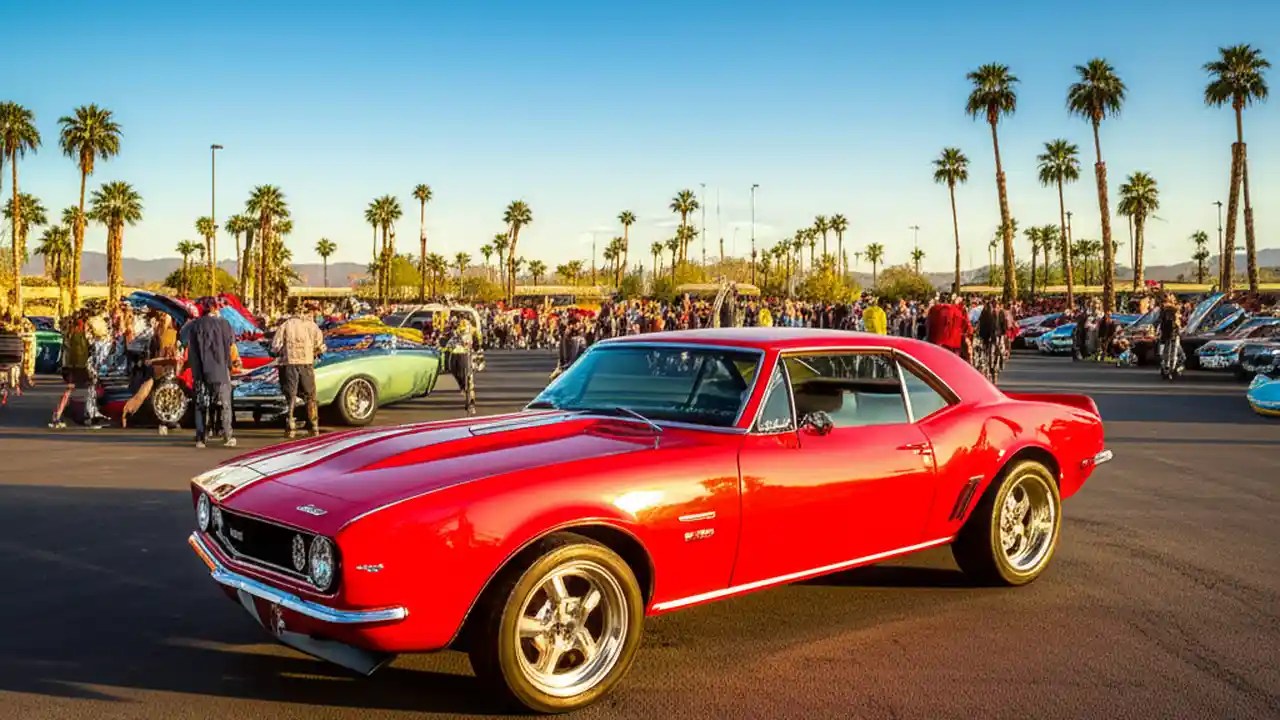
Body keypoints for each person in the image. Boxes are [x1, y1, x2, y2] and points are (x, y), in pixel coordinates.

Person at [183, 298, 238, 448]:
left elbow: (190, 348)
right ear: (214, 307)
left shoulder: (195, 326)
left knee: (201, 404)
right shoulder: (224, 324)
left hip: (201, 371)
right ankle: (227, 436)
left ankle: (201, 438)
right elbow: (232, 347)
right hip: (221, 371)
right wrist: (233, 364)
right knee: (225, 405)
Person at [272, 307, 327, 437]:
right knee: (310, 396)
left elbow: (276, 346)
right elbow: (321, 346)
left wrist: (282, 353)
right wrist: (314, 352)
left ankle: (290, 426)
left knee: (291, 395)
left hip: (289, 363)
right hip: (306, 363)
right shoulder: (312, 326)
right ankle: (314, 425)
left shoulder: (285, 325)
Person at [49, 312, 92, 428]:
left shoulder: (70, 334)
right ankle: (60, 414)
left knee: (71, 392)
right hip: (76, 366)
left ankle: (65, 413)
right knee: (74, 391)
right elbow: (76, 353)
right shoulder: (77, 335)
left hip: (73, 366)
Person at [446, 317, 480, 415]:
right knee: (459, 376)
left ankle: (471, 404)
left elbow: (478, 346)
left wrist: (478, 358)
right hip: (456, 356)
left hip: (468, 357)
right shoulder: (454, 333)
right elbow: (448, 343)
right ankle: (463, 388)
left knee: (469, 382)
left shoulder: (473, 332)